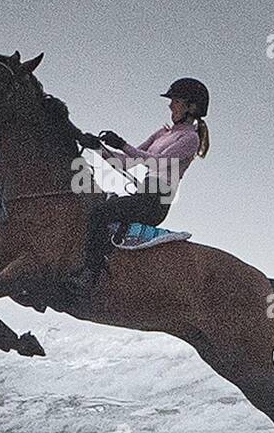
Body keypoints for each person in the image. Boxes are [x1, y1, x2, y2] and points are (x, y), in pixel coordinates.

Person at [69, 77, 210, 292]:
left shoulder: (191, 139)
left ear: (191, 107)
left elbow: (157, 162)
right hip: (142, 194)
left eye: (176, 101)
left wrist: (123, 144)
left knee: (99, 213)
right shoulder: (163, 133)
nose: (170, 105)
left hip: (154, 202)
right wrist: (96, 147)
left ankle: (90, 275)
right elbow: (128, 161)